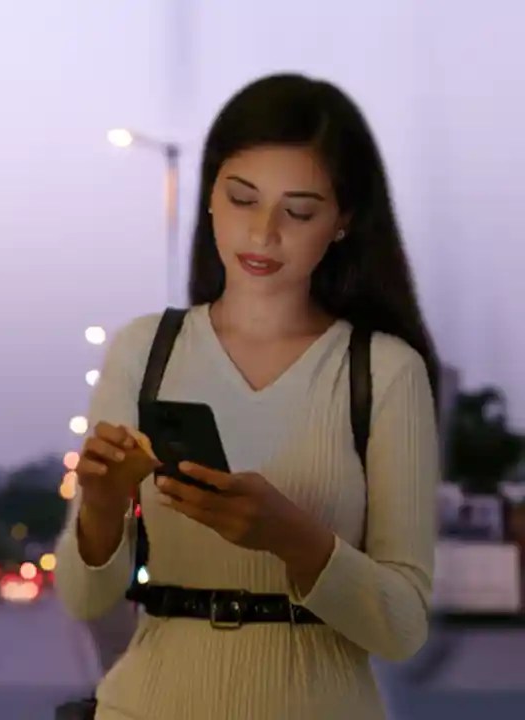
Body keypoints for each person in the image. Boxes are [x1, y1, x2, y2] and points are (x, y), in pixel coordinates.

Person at [54, 72, 441, 720]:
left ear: (343, 222)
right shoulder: (144, 350)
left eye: (298, 210)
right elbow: (84, 598)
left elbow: (402, 626)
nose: (263, 233)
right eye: (242, 198)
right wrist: (100, 501)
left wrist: (292, 538)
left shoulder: (384, 371)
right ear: (210, 196)